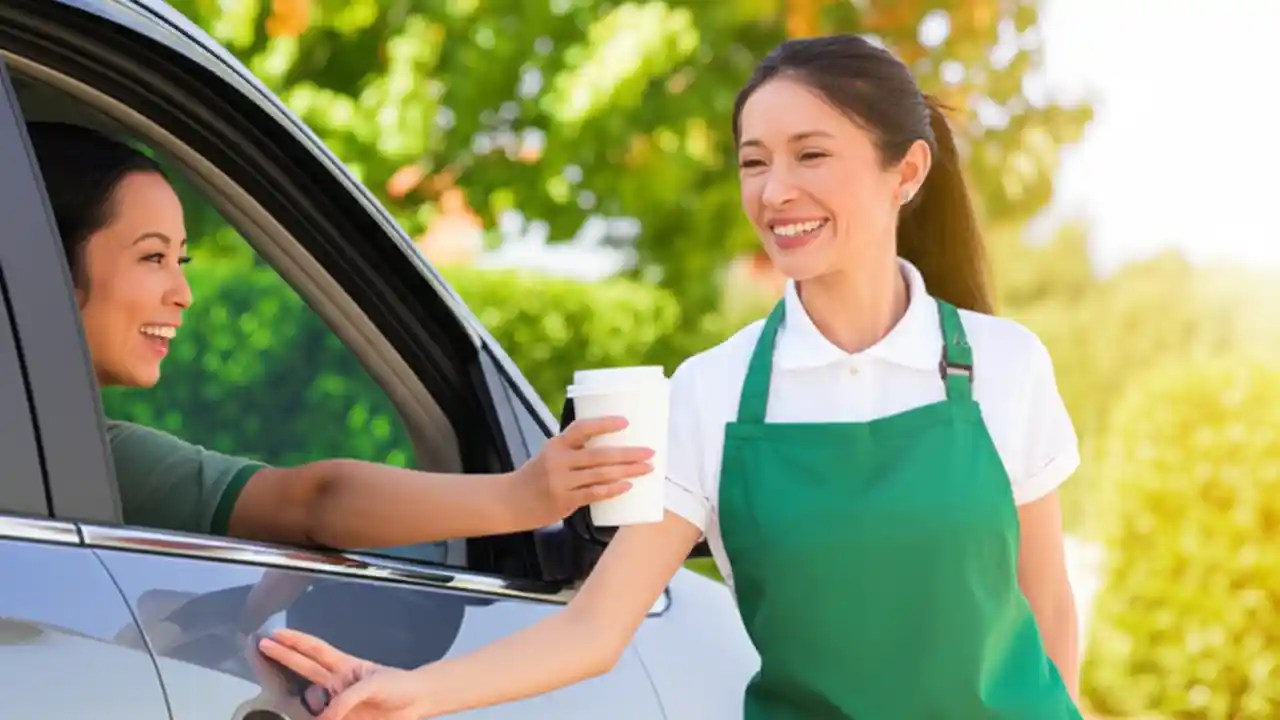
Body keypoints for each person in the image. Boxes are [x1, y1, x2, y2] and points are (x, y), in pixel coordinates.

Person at [259, 34, 1084, 719]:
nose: (775, 191)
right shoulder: (711, 393)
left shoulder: (1004, 367)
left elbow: (1047, 611)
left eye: (811, 155)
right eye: (753, 162)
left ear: (904, 173)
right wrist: (409, 693)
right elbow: (594, 629)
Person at [27, 121, 652, 549]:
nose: (183, 293)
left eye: (181, 261)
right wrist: (524, 497)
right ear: (49, 262)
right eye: (152, 257)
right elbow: (312, 502)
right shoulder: (82, 456)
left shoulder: (58, 448)